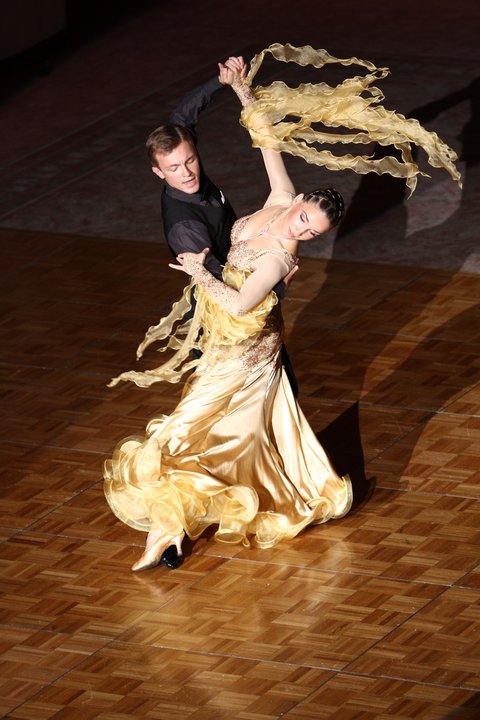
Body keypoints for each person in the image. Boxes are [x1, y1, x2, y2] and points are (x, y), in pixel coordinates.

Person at [103, 57, 353, 571]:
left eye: (313, 233)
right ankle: (172, 528)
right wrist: (240, 89)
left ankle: (172, 524)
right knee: (217, 428)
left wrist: (202, 273)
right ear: (297, 199)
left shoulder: (281, 256)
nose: (302, 231)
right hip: (227, 335)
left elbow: (240, 302)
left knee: (187, 428)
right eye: (304, 219)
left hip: (246, 340)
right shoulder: (269, 200)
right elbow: (268, 142)